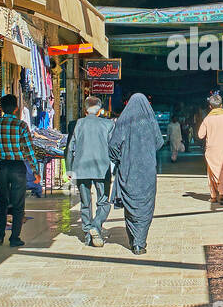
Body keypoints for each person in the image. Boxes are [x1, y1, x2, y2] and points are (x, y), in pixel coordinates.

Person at [108, 92, 164, 254]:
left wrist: (119, 158)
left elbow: (113, 146)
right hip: (147, 171)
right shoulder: (150, 121)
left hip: (128, 170)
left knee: (131, 204)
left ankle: (134, 241)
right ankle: (140, 242)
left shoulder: (124, 121)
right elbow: (159, 143)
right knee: (145, 206)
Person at [0, 94, 41, 248]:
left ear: (1, 108)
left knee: (3, 202)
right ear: (16, 108)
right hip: (17, 167)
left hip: (2, 166)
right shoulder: (21, 126)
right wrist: (35, 170)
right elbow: (28, 150)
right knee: (18, 204)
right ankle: (14, 238)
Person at [66, 95, 115, 247]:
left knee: (85, 202)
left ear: (85, 111)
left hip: (81, 168)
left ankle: (88, 234)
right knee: (103, 202)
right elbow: (113, 147)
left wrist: (69, 168)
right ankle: (96, 225)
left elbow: (70, 148)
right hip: (102, 169)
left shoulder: (78, 124)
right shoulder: (108, 125)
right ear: (100, 111)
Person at [198, 92, 223, 205]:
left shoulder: (207, 119)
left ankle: (214, 196)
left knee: (212, 174)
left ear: (210, 107)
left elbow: (200, 135)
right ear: (221, 105)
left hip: (211, 152)